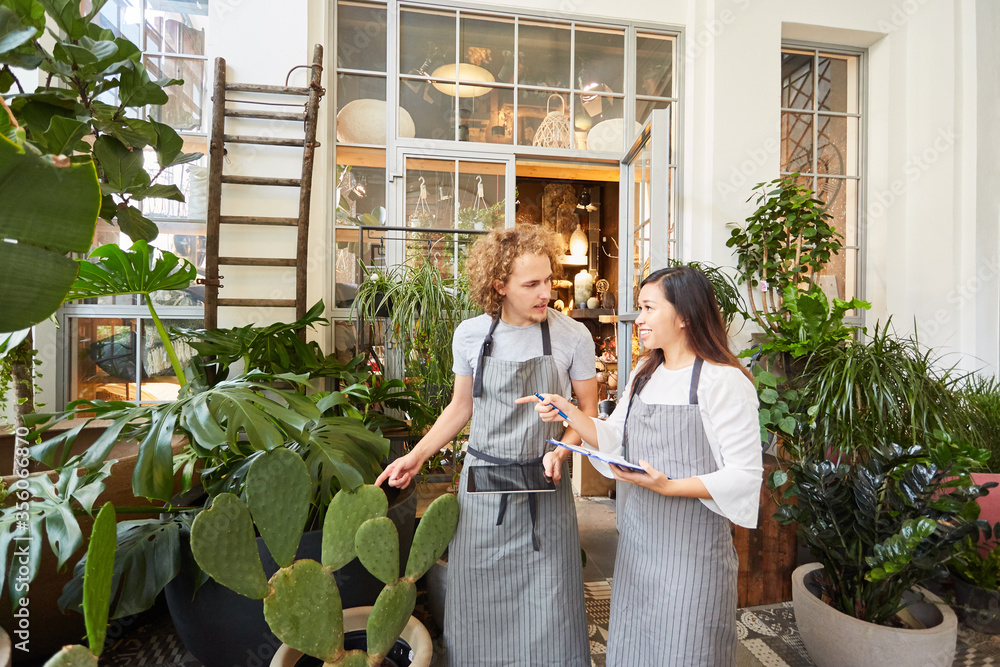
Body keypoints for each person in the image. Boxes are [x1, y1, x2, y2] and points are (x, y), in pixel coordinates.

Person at [519, 265, 763, 666]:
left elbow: (744, 475)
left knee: (688, 652)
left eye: (649, 308)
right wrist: (567, 411)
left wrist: (670, 486)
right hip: (638, 548)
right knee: (637, 650)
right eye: (640, 308)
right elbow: (614, 436)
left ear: (684, 315)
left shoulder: (723, 381)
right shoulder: (644, 373)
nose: (640, 319)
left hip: (692, 556)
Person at [376, 225, 596, 666]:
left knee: (551, 606)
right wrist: (415, 457)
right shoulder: (471, 334)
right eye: (531, 284)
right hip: (484, 490)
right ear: (500, 285)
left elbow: (586, 412)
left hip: (544, 488)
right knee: (478, 602)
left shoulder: (572, 336)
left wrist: (561, 450)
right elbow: (461, 408)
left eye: (548, 280)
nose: (545, 293)